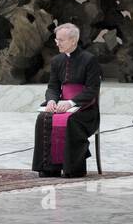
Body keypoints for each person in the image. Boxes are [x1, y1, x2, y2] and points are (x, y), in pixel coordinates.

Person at [32, 23, 102, 177]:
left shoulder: (89, 60)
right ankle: (49, 168)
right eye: (57, 40)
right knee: (43, 118)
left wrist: (71, 103)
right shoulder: (57, 61)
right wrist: (51, 101)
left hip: (85, 109)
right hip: (62, 105)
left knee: (71, 121)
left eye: (61, 40)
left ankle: (73, 169)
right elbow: (53, 87)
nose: (57, 43)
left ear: (73, 41)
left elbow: (92, 90)